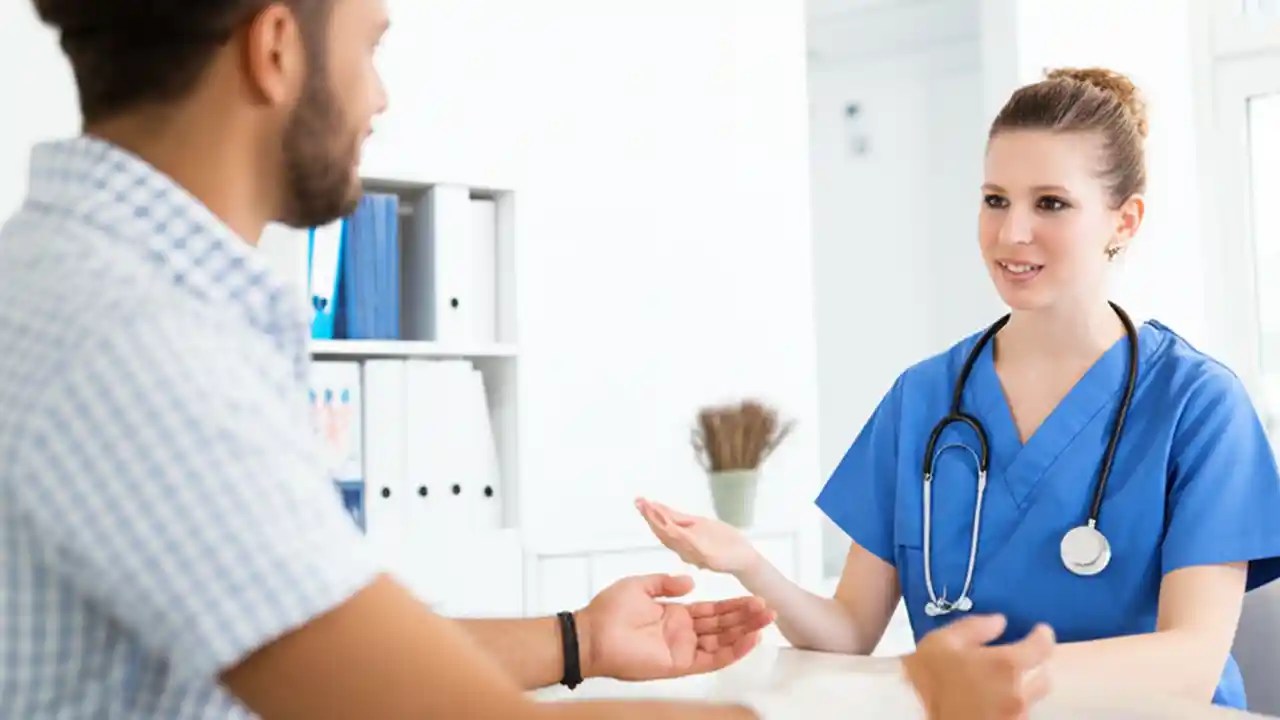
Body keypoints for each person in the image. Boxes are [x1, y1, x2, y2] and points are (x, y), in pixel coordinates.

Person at [0, 1, 1056, 718]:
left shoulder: (97, 292)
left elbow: (313, 631)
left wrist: (575, 643)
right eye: (369, 44)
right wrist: (902, 702)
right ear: (275, 48)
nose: (379, 98)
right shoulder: (137, 341)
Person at [639, 66, 1280, 712]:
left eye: (1050, 203)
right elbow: (849, 630)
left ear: (1125, 221)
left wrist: (964, 679)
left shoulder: (1197, 406)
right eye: (995, 199)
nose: (1011, 233)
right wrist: (749, 564)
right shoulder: (922, 400)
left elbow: (1189, 665)